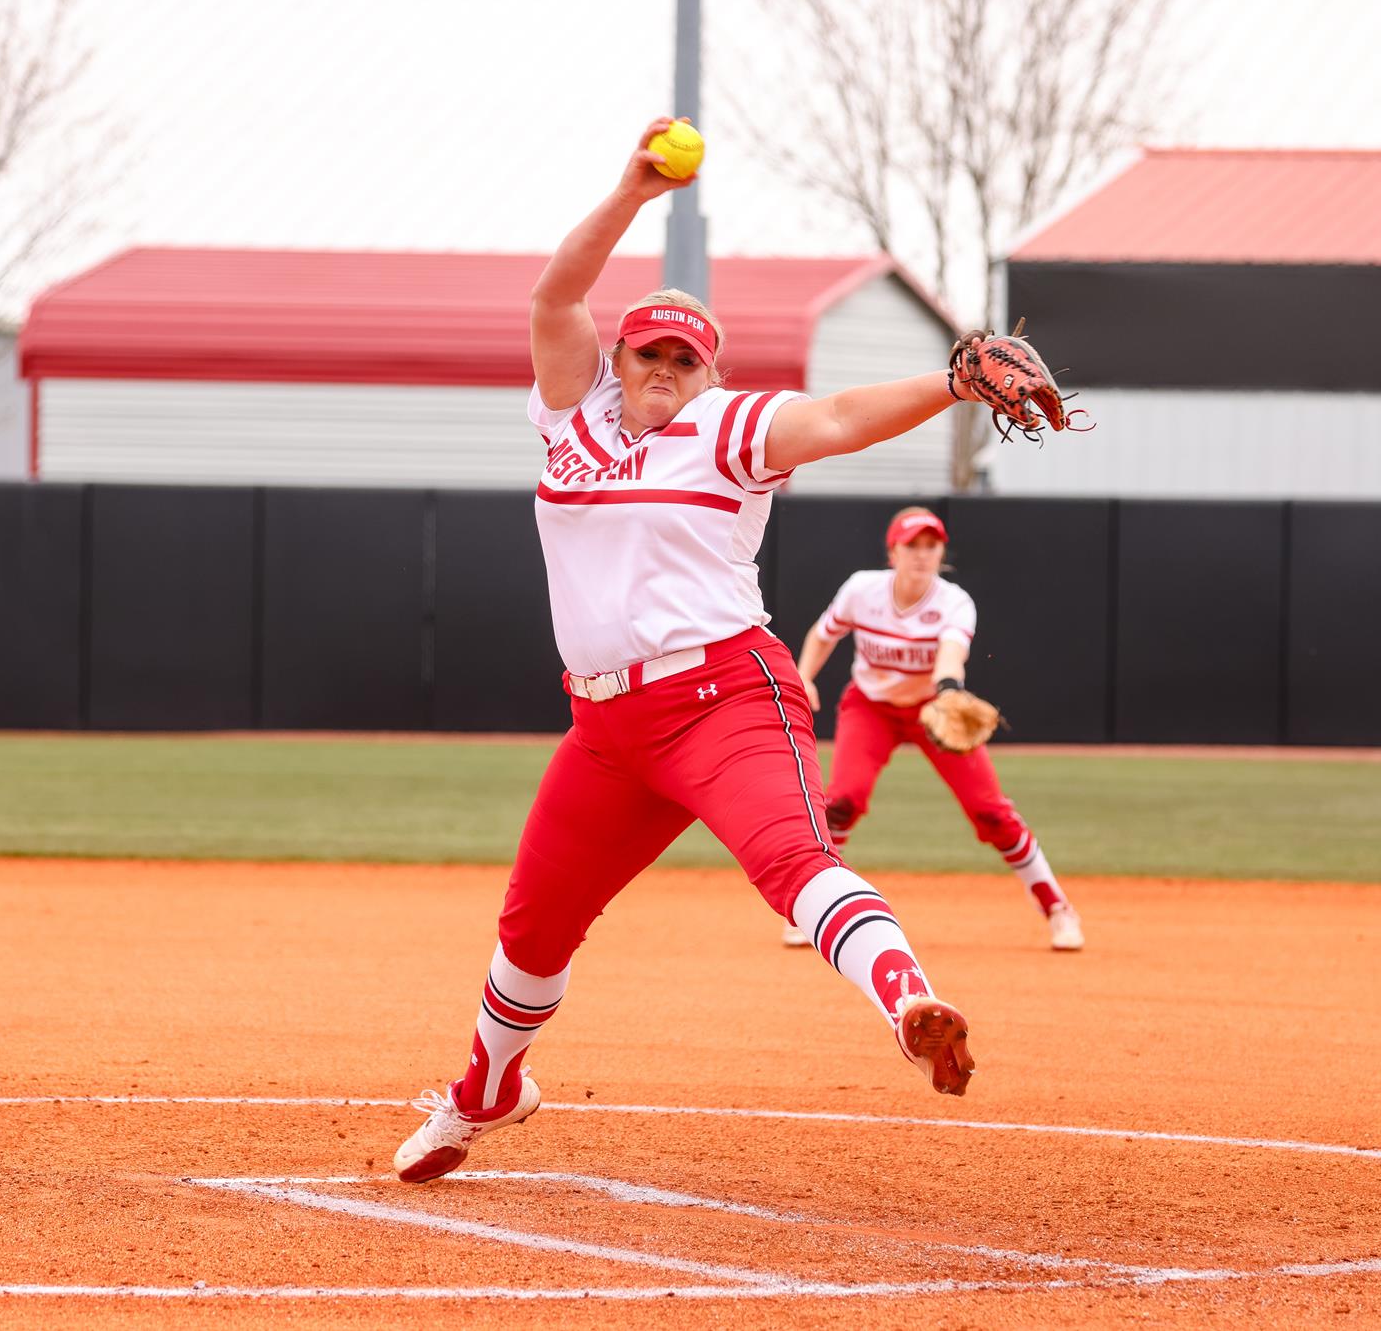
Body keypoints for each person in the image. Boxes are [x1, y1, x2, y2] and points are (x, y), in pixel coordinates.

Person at [393, 118, 987, 1185]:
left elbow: (846, 414)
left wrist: (951, 380)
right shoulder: (570, 420)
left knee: (791, 863)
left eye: (684, 355)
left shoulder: (728, 429)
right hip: (605, 726)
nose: (664, 365)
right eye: (647, 350)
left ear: (708, 370)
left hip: (723, 697)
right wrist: (631, 188)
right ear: (616, 359)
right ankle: (484, 1093)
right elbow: (551, 300)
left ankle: (909, 1002)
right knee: (534, 925)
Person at [782, 507, 1085, 952]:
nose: (922, 555)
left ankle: (1057, 908)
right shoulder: (861, 589)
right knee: (841, 802)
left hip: (933, 709)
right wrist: (805, 675)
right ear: (893, 552)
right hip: (871, 707)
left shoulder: (953, 601)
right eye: (912, 546)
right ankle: (816, 911)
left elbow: (952, 653)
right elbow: (825, 633)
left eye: (931, 546)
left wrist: (947, 690)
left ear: (942, 552)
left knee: (990, 812)